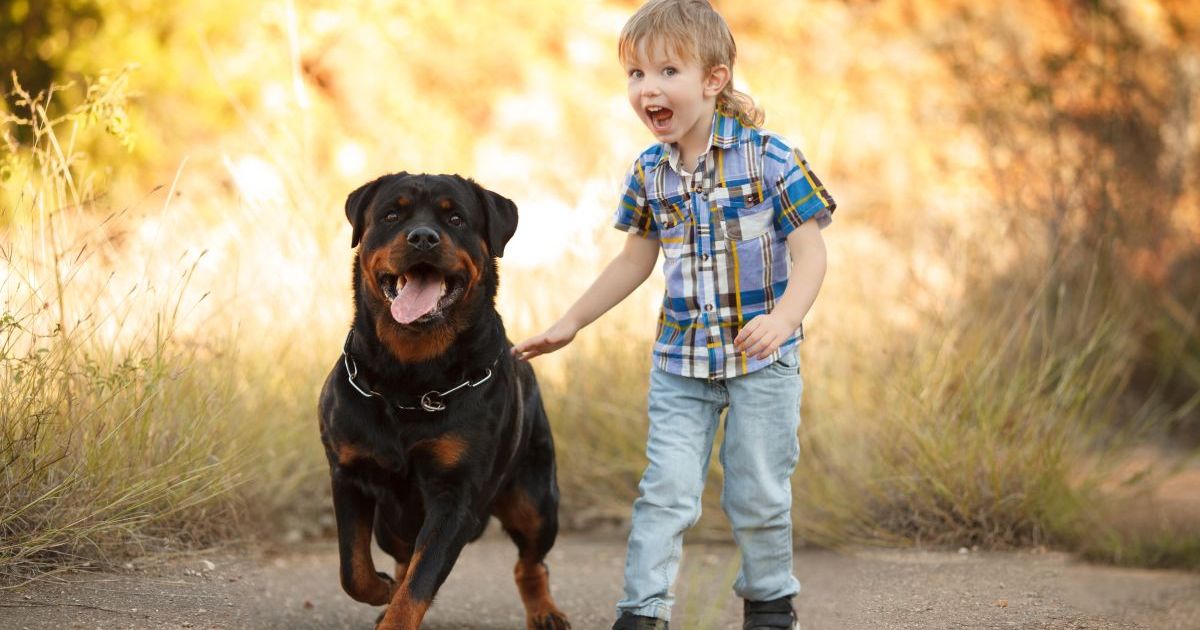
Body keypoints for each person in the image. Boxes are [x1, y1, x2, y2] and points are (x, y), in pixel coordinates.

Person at [513, 0, 835, 627]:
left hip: (762, 364)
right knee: (665, 493)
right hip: (679, 365)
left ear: (713, 79)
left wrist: (784, 319)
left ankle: (770, 605)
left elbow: (812, 254)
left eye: (667, 72)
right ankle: (643, 612)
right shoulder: (649, 173)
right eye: (636, 75)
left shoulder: (770, 158)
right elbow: (634, 261)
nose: (648, 89)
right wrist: (569, 323)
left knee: (759, 493)